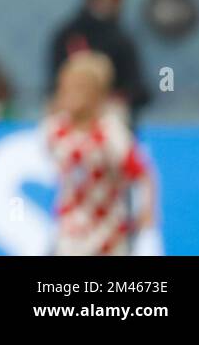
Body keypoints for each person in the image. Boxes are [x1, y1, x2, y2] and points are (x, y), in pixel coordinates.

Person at [42, 51, 155, 255]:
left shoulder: (111, 133)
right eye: (66, 88)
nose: (70, 95)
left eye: (80, 88)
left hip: (107, 231)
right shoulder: (54, 131)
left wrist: (147, 209)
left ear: (97, 94)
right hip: (70, 230)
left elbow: (142, 173)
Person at [49, 0, 151, 126]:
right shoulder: (118, 38)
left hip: (109, 118)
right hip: (77, 118)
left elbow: (138, 91)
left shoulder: (121, 36)